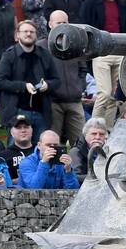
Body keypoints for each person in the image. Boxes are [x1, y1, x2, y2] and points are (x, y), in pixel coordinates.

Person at [0, 20, 58, 133]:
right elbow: (0, 82)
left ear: (36, 35)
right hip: (17, 111)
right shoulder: (9, 55)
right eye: (25, 31)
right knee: (16, 149)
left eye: (32, 32)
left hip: (41, 112)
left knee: (41, 148)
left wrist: (47, 85)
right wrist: (23, 86)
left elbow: (57, 80)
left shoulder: (45, 55)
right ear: (18, 34)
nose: (28, 34)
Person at [43, 10, 87, 147]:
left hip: (75, 101)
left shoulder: (76, 45)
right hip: (53, 102)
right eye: (58, 23)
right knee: (54, 144)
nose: (62, 25)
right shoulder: (42, 47)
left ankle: (81, 168)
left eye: (65, 22)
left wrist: (79, 87)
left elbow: (83, 69)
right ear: (50, 24)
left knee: (81, 143)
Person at [0, 113, 37, 180]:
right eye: (18, 128)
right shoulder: (3, 157)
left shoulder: (40, 151)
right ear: (11, 132)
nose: (23, 130)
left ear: (32, 130)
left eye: (26, 127)